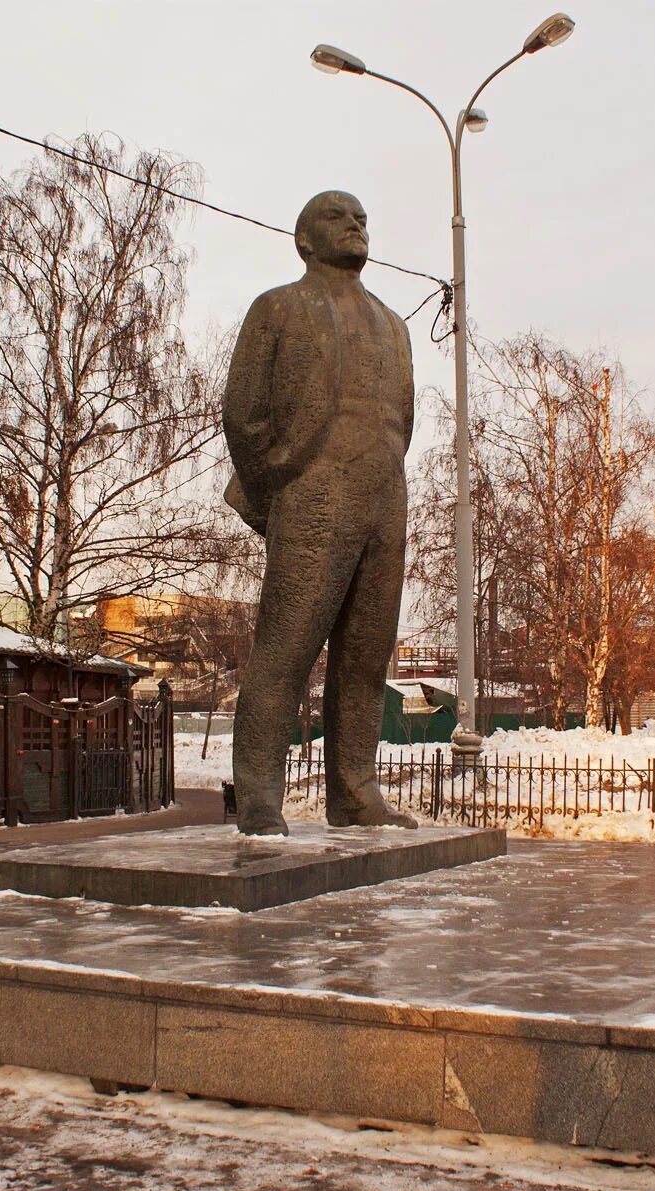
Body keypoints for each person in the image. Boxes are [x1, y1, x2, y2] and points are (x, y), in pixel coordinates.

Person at [223, 190, 418, 836]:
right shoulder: (277, 308)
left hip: (383, 497)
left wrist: (380, 476)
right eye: (336, 216)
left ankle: (355, 792)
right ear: (305, 240)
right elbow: (243, 413)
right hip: (311, 491)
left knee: (366, 658)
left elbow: (402, 420)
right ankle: (258, 795)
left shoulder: (395, 325)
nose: (355, 224)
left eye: (362, 216)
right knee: (286, 651)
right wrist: (279, 486)